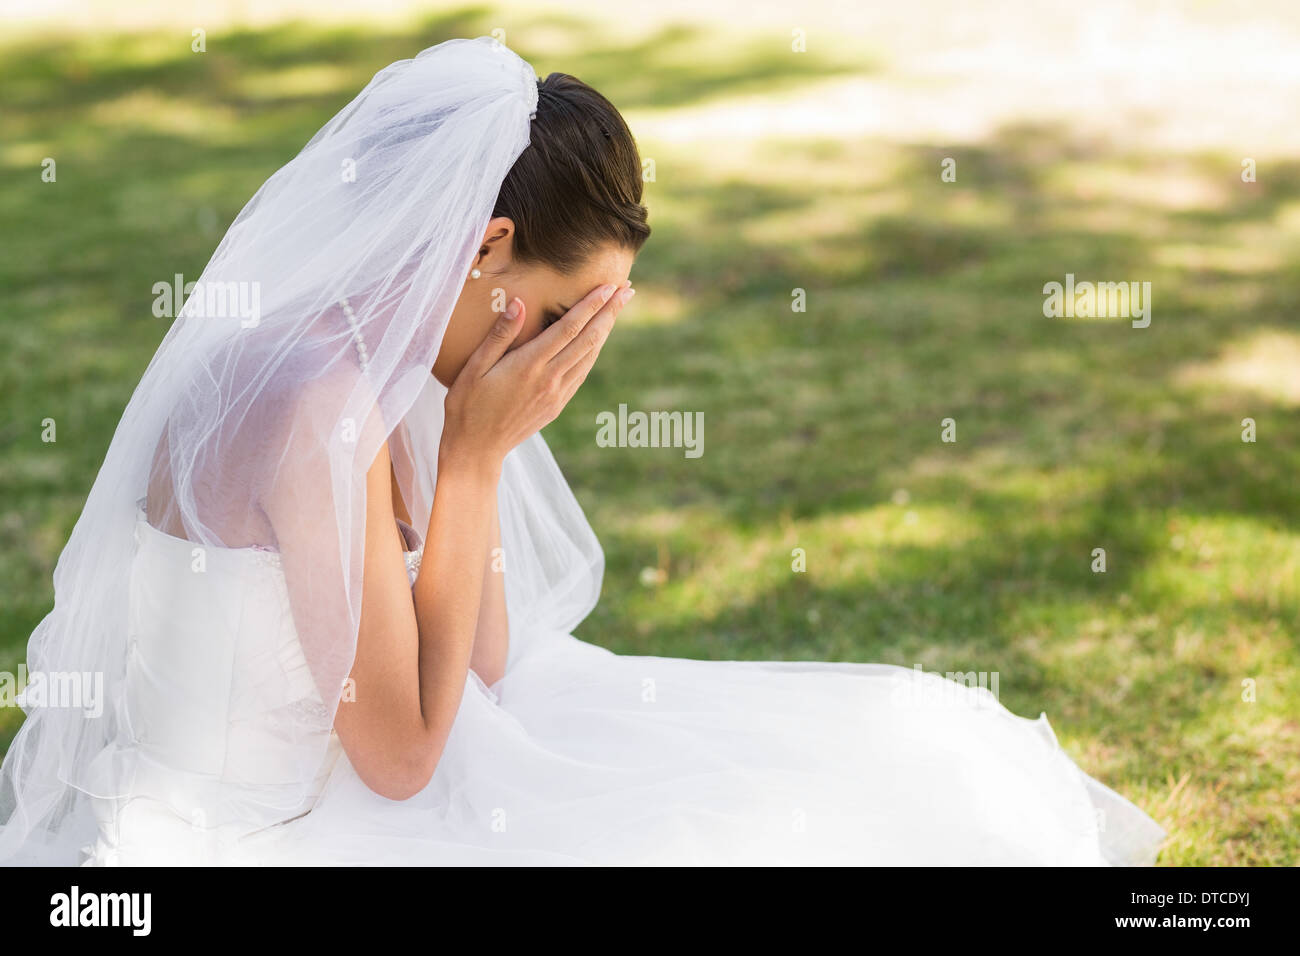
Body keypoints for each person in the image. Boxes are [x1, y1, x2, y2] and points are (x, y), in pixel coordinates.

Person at [0, 37, 1165, 866]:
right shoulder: (319, 399)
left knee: (827, 773)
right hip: (246, 832)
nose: (561, 357)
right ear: (489, 244)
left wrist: (482, 454)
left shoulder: (376, 345)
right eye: (561, 315)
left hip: (336, 786)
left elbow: (487, 660)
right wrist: (464, 461)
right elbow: (405, 755)